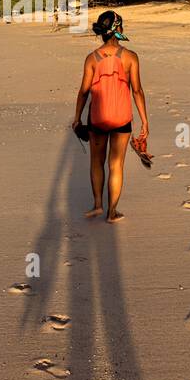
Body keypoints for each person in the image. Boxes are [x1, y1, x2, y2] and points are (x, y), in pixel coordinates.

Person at [70, 11, 148, 223]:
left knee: (97, 162)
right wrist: (144, 121)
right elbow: (137, 91)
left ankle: (97, 205)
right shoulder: (131, 57)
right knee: (116, 165)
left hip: (97, 118)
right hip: (122, 117)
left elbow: (84, 91)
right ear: (119, 29)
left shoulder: (92, 58)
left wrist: (77, 118)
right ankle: (112, 212)